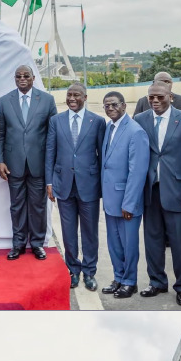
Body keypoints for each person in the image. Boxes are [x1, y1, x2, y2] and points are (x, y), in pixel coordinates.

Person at [134, 82, 181, 306]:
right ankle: (157, 282)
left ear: (170, 97)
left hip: (178, 192)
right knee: (152, 240)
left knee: (180, 243)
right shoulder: (140, 120)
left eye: (160, 97)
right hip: (150, 191)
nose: (155, 101)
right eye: (151, 97)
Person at [45, 82, 105, 290]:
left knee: (90, 232)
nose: (71, 98)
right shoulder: (56, 121)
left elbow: (102, 155)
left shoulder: (97, 121)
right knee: (68, 231)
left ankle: (89, 271)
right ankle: (73, 269)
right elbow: (50, 152)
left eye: (76, 95)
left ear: (85, 97)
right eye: (69, 95)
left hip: (89, 184)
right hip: (63, 185)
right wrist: (49, 181)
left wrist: (102, 184)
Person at [0, 65, 52, 261]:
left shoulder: (47, 100)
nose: (22, 79)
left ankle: (37, 244)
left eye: (26, 75)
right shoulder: (4, 101)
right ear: (14, 79)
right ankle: (18, 244)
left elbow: (51, 136)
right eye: (18, 76)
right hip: (13, 164)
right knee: (16, 205)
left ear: (33, 78)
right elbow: (0, 134)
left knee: (38, 206)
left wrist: (50, 164)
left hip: (39, 163)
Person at [100, 92, 149, 298]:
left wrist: (129, 203)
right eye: (106, 105)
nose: (110, 108)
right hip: (111, 199)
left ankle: (130, 281)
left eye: (114, 104)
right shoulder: (109, 128)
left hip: (126, 201)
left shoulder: (135, 131)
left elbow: (137, 171)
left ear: (124, 106)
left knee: (129, 246)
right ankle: (118, 277)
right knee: (114, 244)